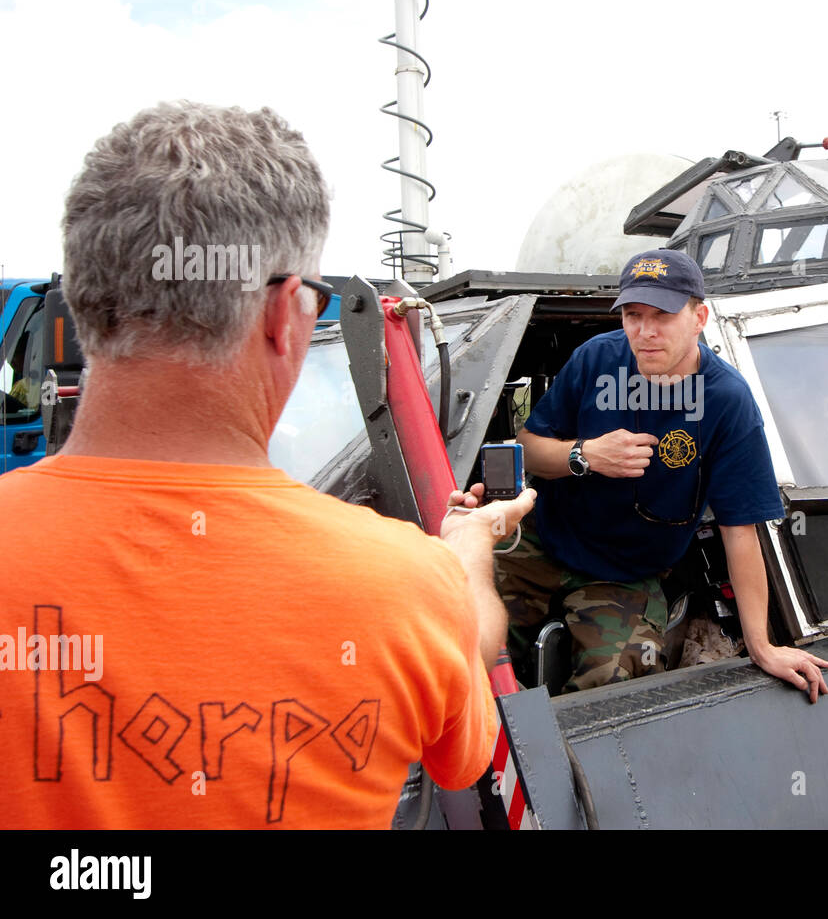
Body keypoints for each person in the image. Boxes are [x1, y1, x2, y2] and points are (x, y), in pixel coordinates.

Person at [0, 102, 533, 828]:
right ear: (285, 315)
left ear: (86, 300)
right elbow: (464, 743)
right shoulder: (405, 584)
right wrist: (465, 557)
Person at [501, 248, 828, 699]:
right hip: (546, 541)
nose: (645, 332)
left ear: (699, 318)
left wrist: (761, 645)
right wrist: (586, 454)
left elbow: (740, 529)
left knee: (613, 687)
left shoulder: (726, 402)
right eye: (633, 315)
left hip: (626, 572)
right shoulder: (595, 361)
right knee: (463, 635)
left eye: (663, 315)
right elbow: (527, 450)